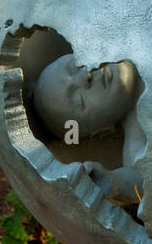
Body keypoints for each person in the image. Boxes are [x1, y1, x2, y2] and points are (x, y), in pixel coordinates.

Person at [33, 55, 143, 204]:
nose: (86, 76)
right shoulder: (140, 131)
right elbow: (142, 178)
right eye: (80, 100)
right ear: (103, 129)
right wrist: (112, 181)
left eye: (76, 66)